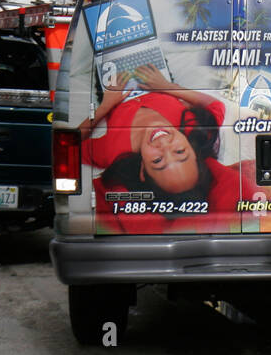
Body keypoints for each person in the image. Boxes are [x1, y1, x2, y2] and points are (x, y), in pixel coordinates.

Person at [77, 64, 251, 233]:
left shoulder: (113, 152)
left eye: (158, 161)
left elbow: (72, 143)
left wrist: (106, 105)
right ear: (192, 149)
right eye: (180, 152)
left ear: (143, 170)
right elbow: (216, 106)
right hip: (155, 76)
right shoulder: (193, 128)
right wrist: (168, 87)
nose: (164, 145)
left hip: (115, 83)